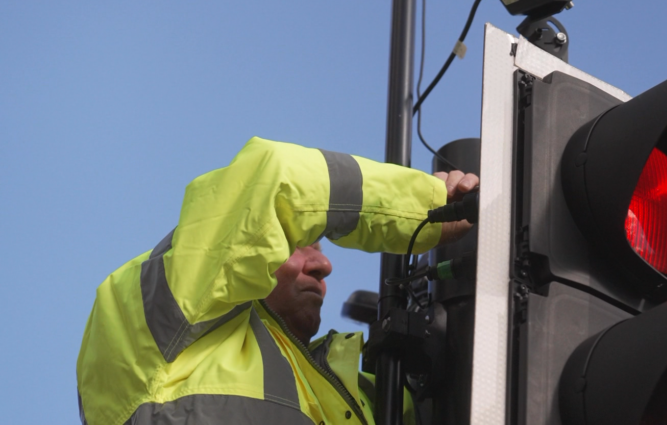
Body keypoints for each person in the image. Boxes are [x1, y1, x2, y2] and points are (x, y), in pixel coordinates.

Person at [76, 137, 478, 425]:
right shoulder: (172, 312)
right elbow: (272, 182)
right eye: (300, 243)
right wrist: (424, 206)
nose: (323, 264)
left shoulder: (349, 393)